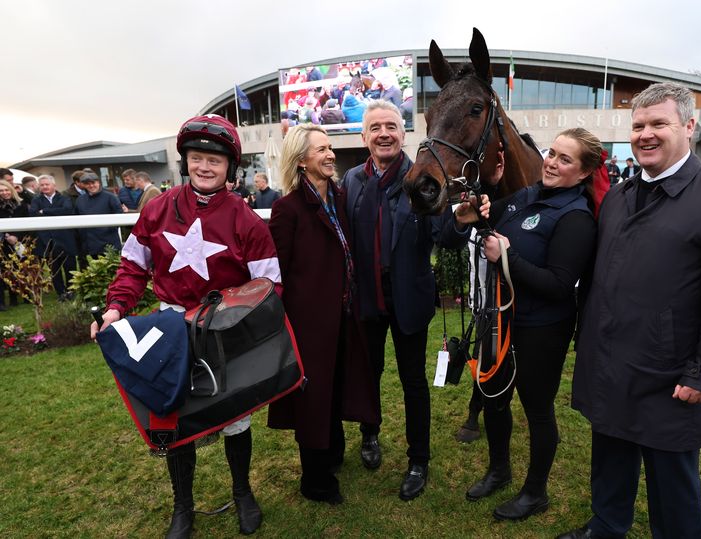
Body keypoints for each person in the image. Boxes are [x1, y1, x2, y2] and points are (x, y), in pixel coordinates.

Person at [557, 82, 701, 539]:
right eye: (638, 126)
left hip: (671, 374)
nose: (645, 134)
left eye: (658, 124)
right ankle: (608, 526)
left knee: (672, 485)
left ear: (689, 127)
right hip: (612, 363)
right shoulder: (618, 196)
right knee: (609, 459)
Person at [90, 115, 280, 538]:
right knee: (172, 415)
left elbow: (270, 285)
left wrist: (236, 319)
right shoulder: (156, 209)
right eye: (197, 158)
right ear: (186, 161)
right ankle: (183, 507)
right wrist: (116, 309)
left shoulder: (247, 221)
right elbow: (132, 267)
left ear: (230, 166)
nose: (205, 167)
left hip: (225, 326)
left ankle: (243, 492)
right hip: (172, 326)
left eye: (214, 160)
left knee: (236, 417)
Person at [447, 128, 600, 521]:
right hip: (499, 318)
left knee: (538, 409)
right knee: (495, 400)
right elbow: (483, 218)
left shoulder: (576, 218)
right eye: (552, 153)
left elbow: (559, 284)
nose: (551, 162)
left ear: (584, 173)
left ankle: (535, 492)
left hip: (542, 329)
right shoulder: (528, 195)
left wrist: (506, 259)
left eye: (565, 159)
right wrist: (475, 208)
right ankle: (499, 470)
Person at [342, 100, 463, 501]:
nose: (384, 134)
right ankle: (369, 434)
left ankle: (418, 460)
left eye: (391, 126)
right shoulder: (352, 181)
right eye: (375, 127)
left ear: (403, 133)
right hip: (366, 297)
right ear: (364, 137)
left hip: (408, 295)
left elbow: (444, 237)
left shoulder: (421, 178)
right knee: (370, 371)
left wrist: (461, 218)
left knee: (413, 381)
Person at [267, 124, 379, 504]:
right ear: (301, 161)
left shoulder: (340, 197)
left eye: (330, 148)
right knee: (313, 401)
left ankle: (331, 456)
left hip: (343, 317)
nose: (330, 155)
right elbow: (278, 271)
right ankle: (315, 481)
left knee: (335, 389)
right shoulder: (288, 209)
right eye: (321, 150)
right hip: (308, 324)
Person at [29, 175, 79, 301]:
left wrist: (44, 211)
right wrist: (54, 211)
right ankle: (61, 294)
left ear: (54, 186)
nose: (45, 187)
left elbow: (67, 210)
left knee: (70, 268)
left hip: (65, 239)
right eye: (42, 185)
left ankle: (72, 292)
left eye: (47, 184)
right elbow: (34, 213)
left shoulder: (64, 198)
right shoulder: (36, 200)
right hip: (48, 240)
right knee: (54, 270)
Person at [75, 171, 123, 257]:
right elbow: (77, 217)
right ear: (84, 185)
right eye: (87, 184)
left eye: (93, 183)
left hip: (109, 242)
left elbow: (119, 214)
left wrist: (107, 229)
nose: (91, 186)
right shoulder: (80, 200)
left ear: (98, 182)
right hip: (89, 245)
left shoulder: (110, 197)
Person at [0, 179, 30, 310]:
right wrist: (7, 236)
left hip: (20, 241)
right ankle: (12, 298)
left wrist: (17, 238)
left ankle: (26, 294)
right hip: (4, 243)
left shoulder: (21, 204)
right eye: (1, 191)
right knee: (7, 271)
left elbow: (27, 222)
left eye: (6, 190)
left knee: (23, 268)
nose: (4, 193)